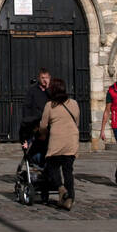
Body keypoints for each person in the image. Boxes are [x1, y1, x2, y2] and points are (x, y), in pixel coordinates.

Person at [38, 78, 81, 210]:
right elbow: (77, 121)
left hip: (57, 140)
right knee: (68, 170)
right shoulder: (73, 103)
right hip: (72, 140)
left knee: (52, 166)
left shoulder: (50, 105)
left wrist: (43, 135)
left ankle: (61, 189)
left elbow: (43, 125)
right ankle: (69, 199)